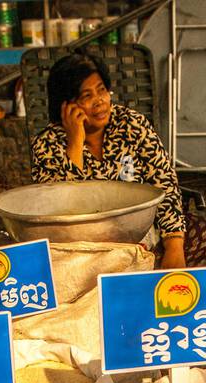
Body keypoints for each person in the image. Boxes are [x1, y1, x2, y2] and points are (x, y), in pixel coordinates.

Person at [31, 53, 186, 268]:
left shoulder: (131, 124)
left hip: (138, 234)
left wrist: (174, 249)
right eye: (86, 96)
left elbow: (164, 185)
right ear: (66, 105)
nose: (100, 102)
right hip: (80, 249)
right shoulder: (47, 143)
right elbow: (60, 209)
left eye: (102, 90)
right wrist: (75, 142)